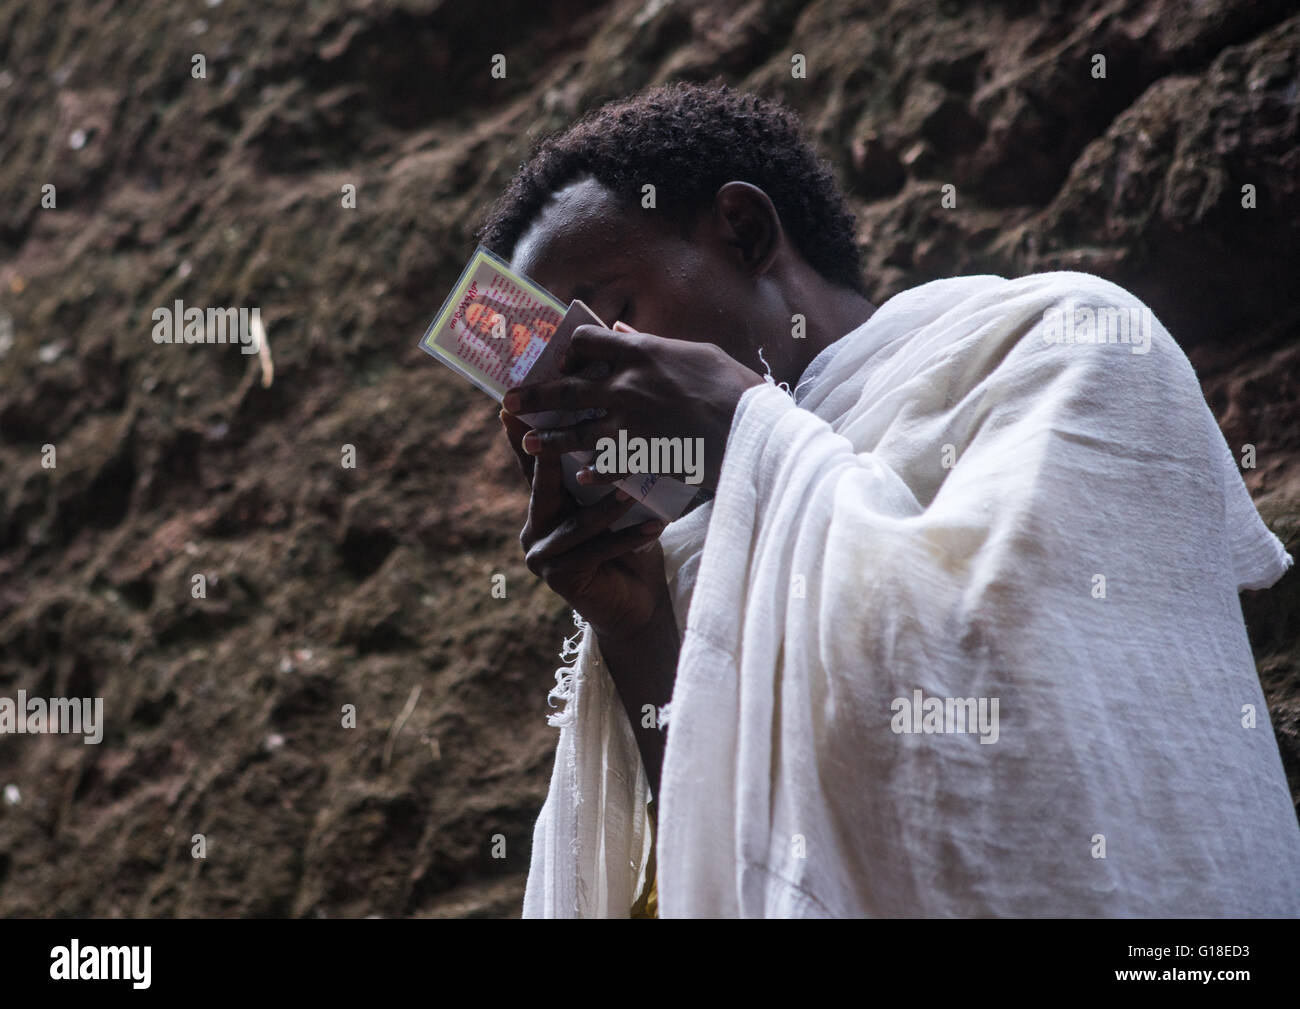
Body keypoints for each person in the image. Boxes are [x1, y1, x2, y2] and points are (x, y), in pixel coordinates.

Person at [479, 80, 1300, 917]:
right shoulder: (691, 550)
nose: (599, 393)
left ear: (745, 231)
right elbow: (735, 881)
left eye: (613, 319)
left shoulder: (1064, 343)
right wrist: (637, 627)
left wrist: (739, 418)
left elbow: (1000, 716)